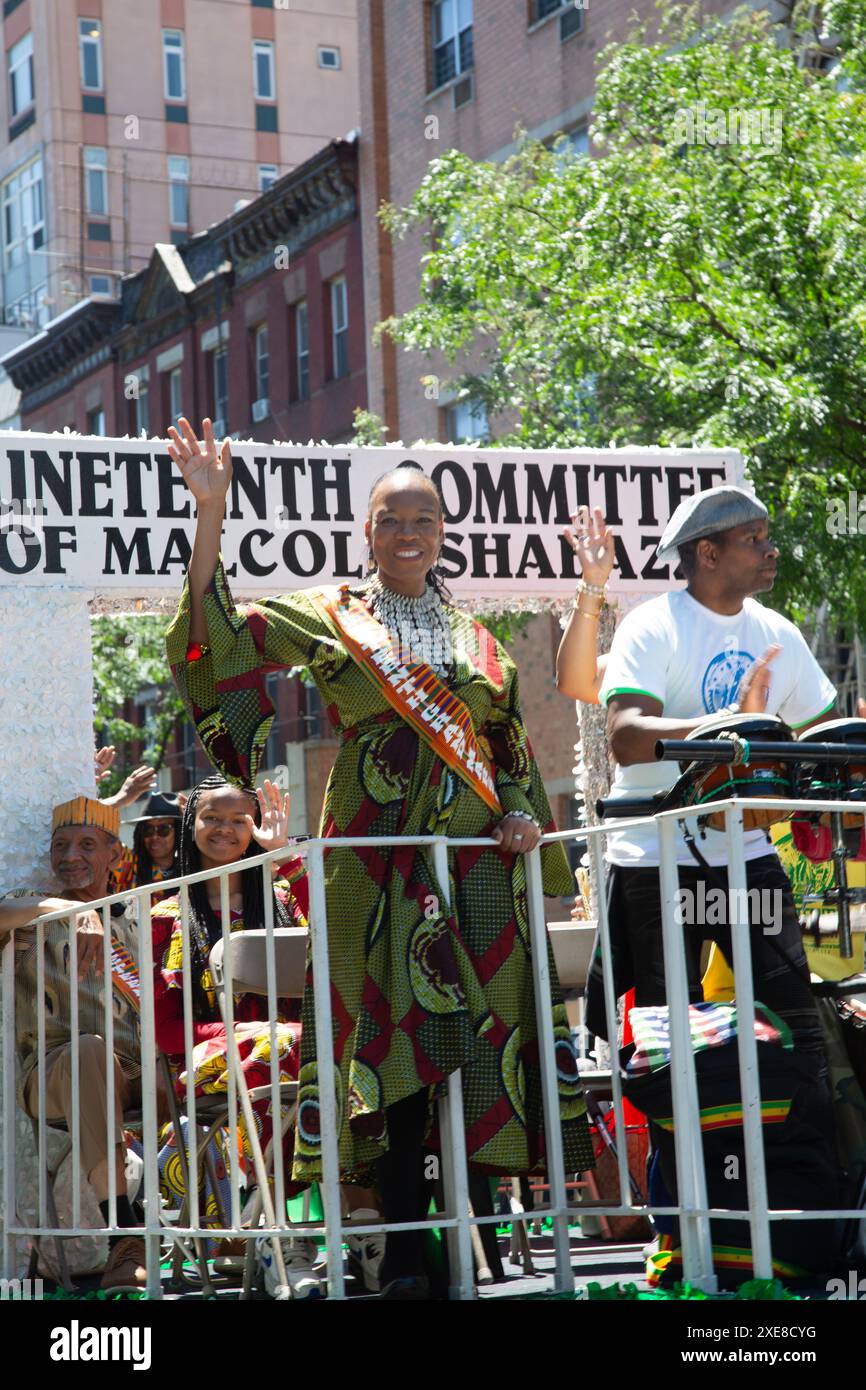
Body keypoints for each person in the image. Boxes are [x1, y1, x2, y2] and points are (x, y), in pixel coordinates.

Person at [164, 416, 594, 1300]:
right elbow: (217, 640)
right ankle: (401, 1252)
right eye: (391, 519)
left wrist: (521, 815)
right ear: (366, 530)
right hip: (371, 860)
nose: (407, 533)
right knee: (388, 1044)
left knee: (476, 1043)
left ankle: (462, 1246)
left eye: (422, 520)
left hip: (475, 868)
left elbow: (508, 749)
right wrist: (210, 514)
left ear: (442, 533)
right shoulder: (331, 615)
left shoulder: (480, 643)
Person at [583, 484, 838, 1061]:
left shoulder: (779, 633)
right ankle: (680, 1126)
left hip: (745, 851)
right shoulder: (652, 625)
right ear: (708, 552)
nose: (771, 550)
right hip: (655, 855)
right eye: (754, 539)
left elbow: (824, 739)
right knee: (668, 1038)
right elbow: (626, 736)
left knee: (796, 1027)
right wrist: (734, 725)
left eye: (768, 537)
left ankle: (797, 1122)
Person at [149, 775, 317, 1296]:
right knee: (277, 1046)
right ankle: (278, 1236)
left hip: (296, 1048)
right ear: (190, 825)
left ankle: (364, 1228)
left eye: (239, 820)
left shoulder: (284, 896)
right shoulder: (164, 912)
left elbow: (336, 940)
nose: (224, 829)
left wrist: (283, 855)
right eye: (212, 818)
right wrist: (241, 1029)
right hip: (212, 1062)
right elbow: (166, 1029)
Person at [0, 797, 146, 1290]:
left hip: (134, 1074)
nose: (70, 857)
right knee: (88, 1050)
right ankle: (127, 1238)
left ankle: (239, 1234)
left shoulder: (137, 918)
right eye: (60, 845)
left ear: (115, 854)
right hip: (51, 1075)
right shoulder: (31, 910)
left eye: (86, 845)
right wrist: (67, 909)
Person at [112, 792, 184, 901]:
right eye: (148, 830)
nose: (154, 837)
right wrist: (119, 799)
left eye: (163, 829)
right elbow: (102, 841)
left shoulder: (191, 865)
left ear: (178, 832)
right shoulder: (129, 864)